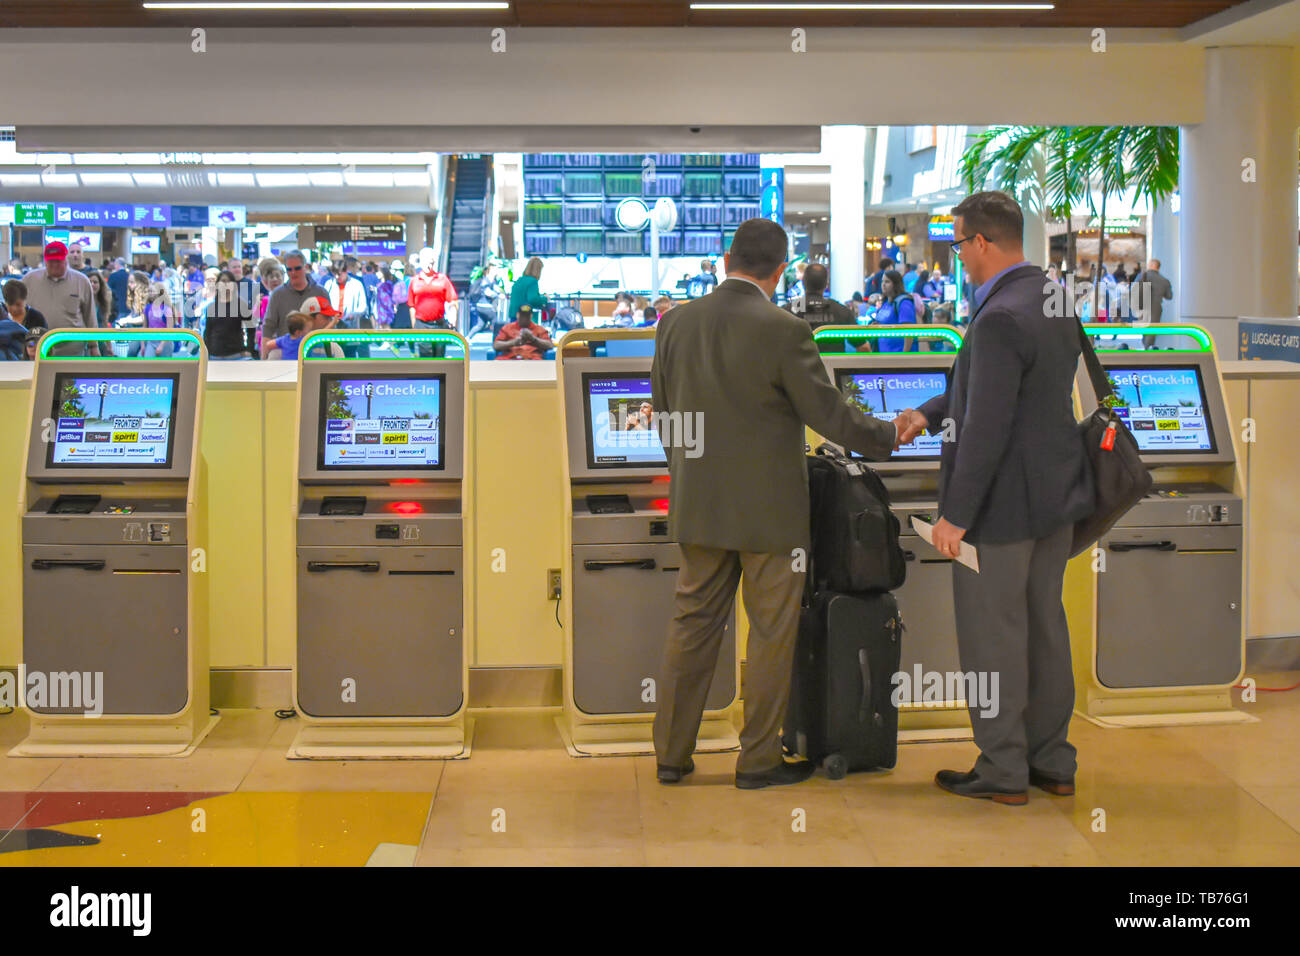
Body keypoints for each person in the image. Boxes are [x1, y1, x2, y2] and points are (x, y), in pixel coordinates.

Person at [650, 217, 911, 791]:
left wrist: (689, 476)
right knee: (769, 634)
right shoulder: (783, 329)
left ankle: (671, 754)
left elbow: (665, 416)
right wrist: (889, 434)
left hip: (698, 507)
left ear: (724, 260)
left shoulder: (675, 323)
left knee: (691, 626)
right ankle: (758, 759)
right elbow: (830, 416)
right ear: (780, 270)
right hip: (770, 517)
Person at [893, 191, 1093, 806]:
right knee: (1043, 628)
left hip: (1001, 512)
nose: (958, 257)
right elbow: (1002, 387)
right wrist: (931, 412)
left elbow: (987, 425)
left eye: (958, 244)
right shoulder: (1053, 298)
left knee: (992, 638)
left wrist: (955, 515)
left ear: (981, 243)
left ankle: (1002, 768)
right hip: (1055, 501)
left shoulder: (999, 315)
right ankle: (1052, 760)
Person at [22, 242, 96, 355]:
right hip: (38, 351)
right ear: (45, 261)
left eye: (58, 261)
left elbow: (90, 317)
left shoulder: (81, 281)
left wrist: (93, 346)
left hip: (73, 352)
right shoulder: (29, 280)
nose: (55, 265)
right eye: (51, 261)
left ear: (66, 260)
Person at [262, 250, 328, 343]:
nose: (293, 272)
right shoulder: (278, 294)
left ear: (305, 267)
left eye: (297, 268)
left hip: (315, 351)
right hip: (287, 352)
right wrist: (265, 355)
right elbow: (268, 327)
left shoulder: (321, 292)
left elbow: (329, 323)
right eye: (289, 269)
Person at [785, 262, 855, 329]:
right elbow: (857, 340)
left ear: (803, 283)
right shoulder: (842, 311)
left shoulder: (787, 311)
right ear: (826, 284)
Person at [204, 270, 254, 359]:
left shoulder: (242, 305)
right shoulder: (211, 307)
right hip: (215, 355)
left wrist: (249, 350)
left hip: (236, 355)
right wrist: (206, 353)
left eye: (229, 281)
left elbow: (251, 329)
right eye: (223, 281)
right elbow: (207, 332)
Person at [408, 247, 458, 330]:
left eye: (431, 262)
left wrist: (453, 317)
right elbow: (411, 306)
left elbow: (453, 300)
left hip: (439, 324)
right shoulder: (414, 281)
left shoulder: (442, 279)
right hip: (421, 325)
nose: (428, 266)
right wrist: (414, 326)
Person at [871, 269, 917, 352]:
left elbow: (908, 332)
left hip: (898, 356)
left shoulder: (904, 303)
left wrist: (904, 355)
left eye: (887, 282)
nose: (883, 285)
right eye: (882, 282)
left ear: (895, 284)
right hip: (884, 354)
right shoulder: (885, 303)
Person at [1131, 258, 1173, 348]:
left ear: (1151, 265)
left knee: (1144, 328)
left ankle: (1146, 346)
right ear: (1158, 267)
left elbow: (1133, 290)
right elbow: (1169, 296)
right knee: (1152, 330)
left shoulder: (1142, 276)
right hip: (1156, 308)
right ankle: (1148, 349)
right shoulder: (1164, 280)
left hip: (1141, 306)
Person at [508, 257, 548, 324]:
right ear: (538, 270)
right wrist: (545, 298)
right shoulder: (532, 281)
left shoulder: (519, 280)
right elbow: (532, 299)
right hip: (523, 318)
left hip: (514, 317)